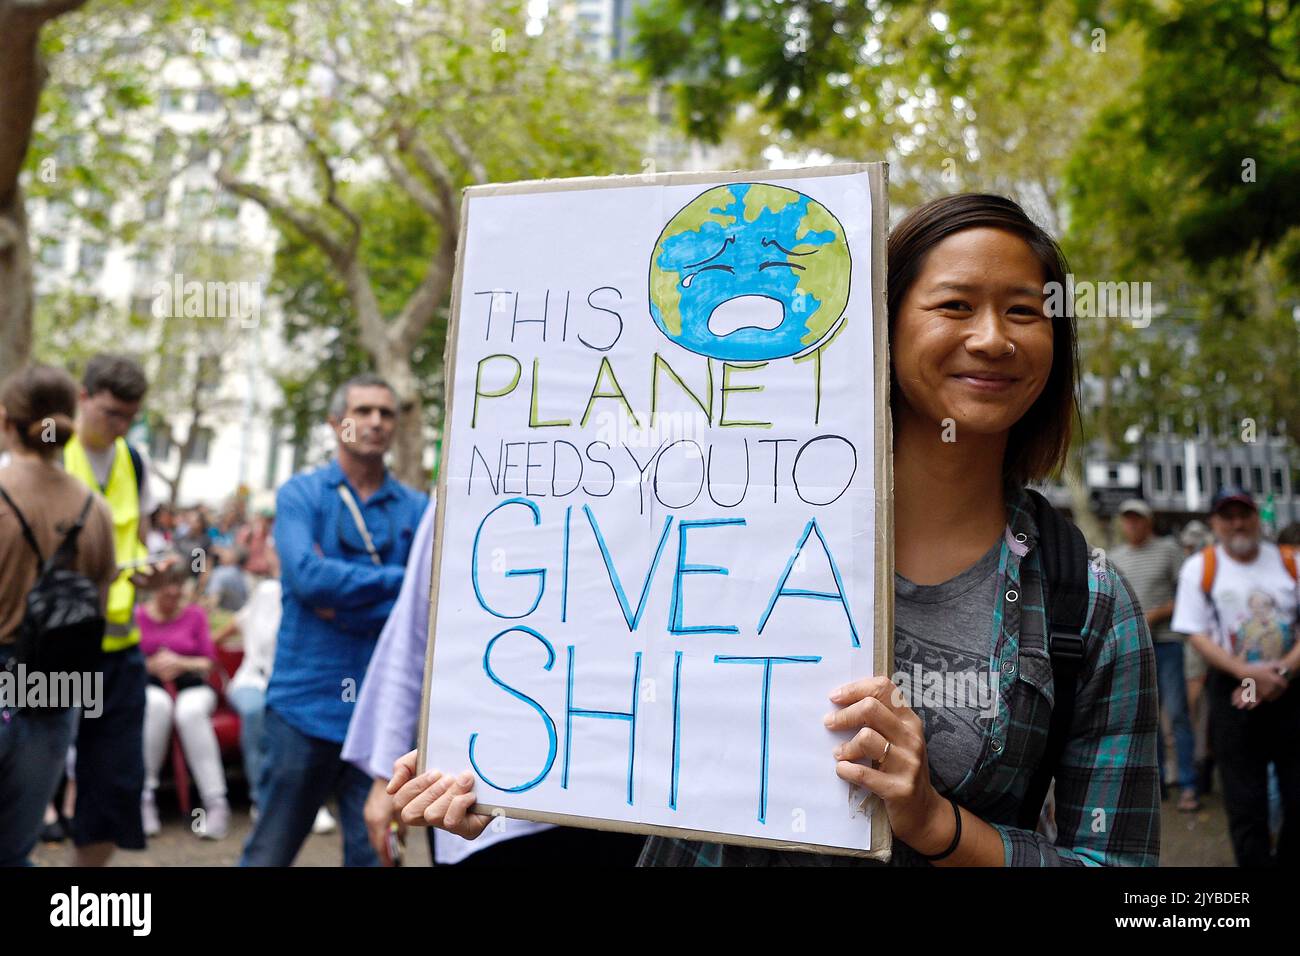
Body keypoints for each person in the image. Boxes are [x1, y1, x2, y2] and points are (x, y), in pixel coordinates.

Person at [388, 193, 1161, 867]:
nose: (992, 338)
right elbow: (618, 726)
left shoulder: (1088, 604)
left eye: (1024, 311)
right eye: (955, 305)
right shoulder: (714, 528)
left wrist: (934, 823)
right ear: (878, 328)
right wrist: (504, 777)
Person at [342, 497, 644, 866]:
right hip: (492, 812)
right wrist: (382, 774)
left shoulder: (670, 485)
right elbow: (415, 634)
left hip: (632, 808)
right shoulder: (472, 480)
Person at [239, 374, 427, 867]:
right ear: (335, 424)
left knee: (377, 858)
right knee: (269, 852)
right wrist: (399, 583)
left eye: (386, 414)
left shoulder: (418, 508)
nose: (375, 422)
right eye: (363, 411)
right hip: (304, 707)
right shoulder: (301, 495)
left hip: (383, 719)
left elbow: (425, 601)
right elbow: (307, 579)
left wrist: (345, 593)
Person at [0, 367, 118, 867]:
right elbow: (100, 598)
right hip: (58, 691)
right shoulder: (96, 509)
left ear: (5, 420)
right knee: (14, 850)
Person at [62, 354, 160, 866]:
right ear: (82, 398)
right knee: (24, 779)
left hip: (118, 653)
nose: (120, 427)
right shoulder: (51, 454)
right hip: (51, 654)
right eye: (110, 414)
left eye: (130, 417)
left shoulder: (133, 461)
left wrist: (154, 570)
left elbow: (141, 540)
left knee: (112, 784)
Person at [1171, 487, 1300, 866]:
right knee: (1245, 799)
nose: (1237, 523)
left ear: (1256, 517)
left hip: (1289, 686)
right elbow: (1194, 632)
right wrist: (1247, 673)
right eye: (1227, 516)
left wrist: (1282, 671)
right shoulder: (1201, 567)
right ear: (1215, 522)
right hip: (1234, 688)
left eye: (1243, 514)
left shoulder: (1289, 562)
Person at [1109, 499, 1198, 811]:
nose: (1132, 525)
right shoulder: (1114, 557)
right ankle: (1157, 783)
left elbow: (1186, 596)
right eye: (1127, 520)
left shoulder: (1168, 550)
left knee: (1177, 713)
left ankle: (1189, 783)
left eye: (1138, 519)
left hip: (1167, 643)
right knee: (1148, 717)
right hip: (1133, 647)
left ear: (1148, 522)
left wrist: (1155, 614)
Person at [138, 563, 229, 839]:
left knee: (189, 712)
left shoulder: (195, 615)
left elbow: (208, 662)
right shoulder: (137, 616)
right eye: (168, 586)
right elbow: (126, 661)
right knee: (155, 706)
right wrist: (150, 666)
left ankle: (216, 803)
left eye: (178, 587)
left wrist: (181, 662)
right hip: (151, 687)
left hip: (193, 686)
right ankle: (144, 799)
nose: (174, 592)